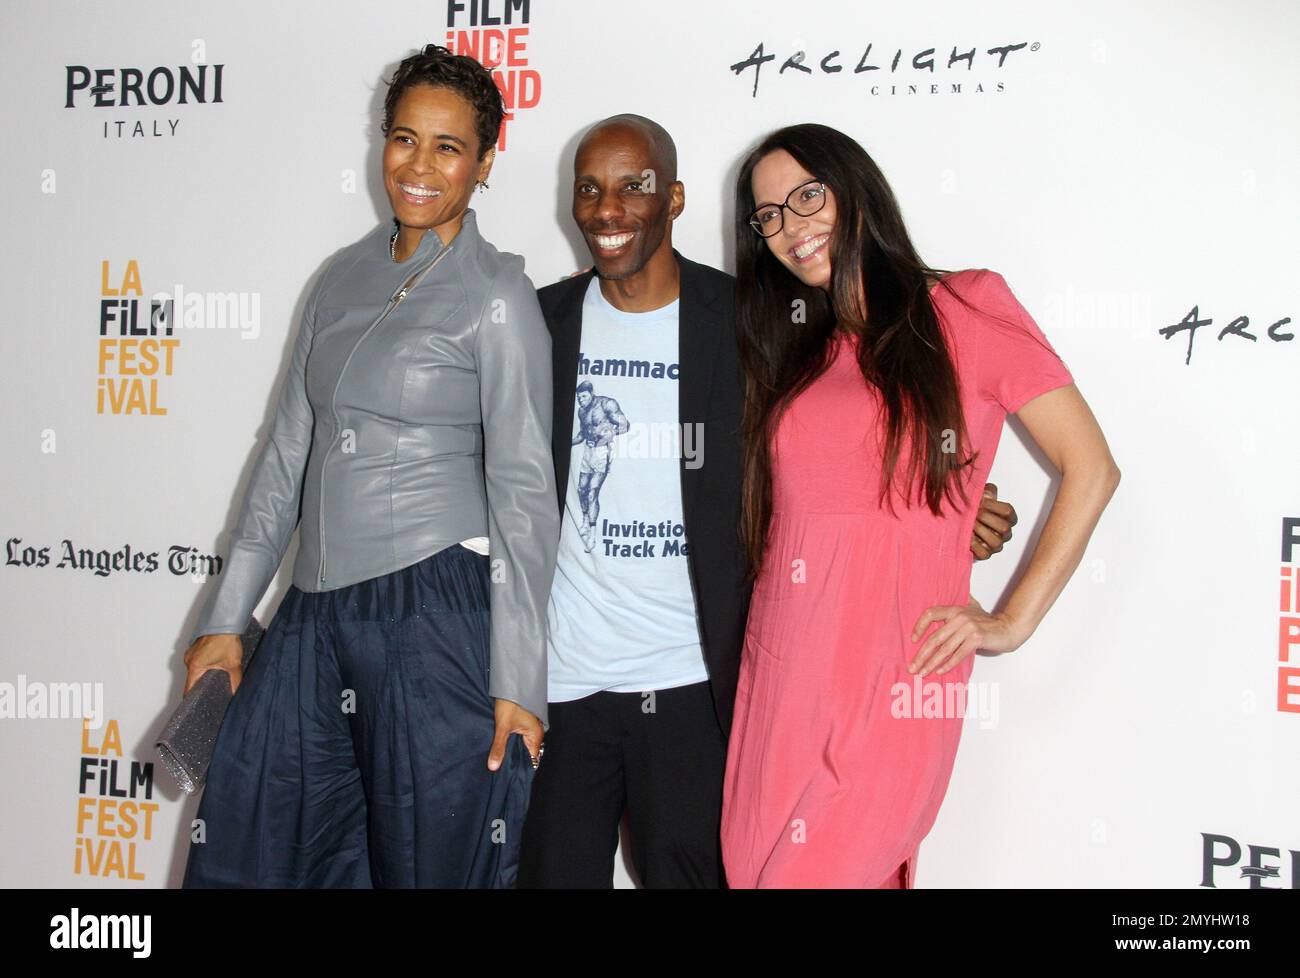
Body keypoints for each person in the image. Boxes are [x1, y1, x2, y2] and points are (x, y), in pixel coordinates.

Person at [515, 115, 1020, 888]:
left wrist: (948, 499)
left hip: (694, 685)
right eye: (590, 189)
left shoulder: (747, 320)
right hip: (565, 684)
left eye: (634, 186)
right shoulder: (539, 323)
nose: (609, 208)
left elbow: (835, 436)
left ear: (674, 198)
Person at [179, 45, 557, 888]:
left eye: (448, 147)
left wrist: (523, 677)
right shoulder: (337, 280)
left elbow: (527, 490)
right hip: (312, 616)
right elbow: (284, 452)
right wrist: (229, 617)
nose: (418, 166)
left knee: (431, 864)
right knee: (255, 845)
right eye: (404, 138)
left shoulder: (498, 297)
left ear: (485, 162)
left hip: (431, 613)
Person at [720, 123, 1121, 888]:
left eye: (808, 196)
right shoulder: (796, 351)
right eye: (768, 215)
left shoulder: (967, 305)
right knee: (751, 870)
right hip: (780, 676)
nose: (790, 228)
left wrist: (1009, 620)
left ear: (856, 189)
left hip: (895, 680)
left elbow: (1091, 467)